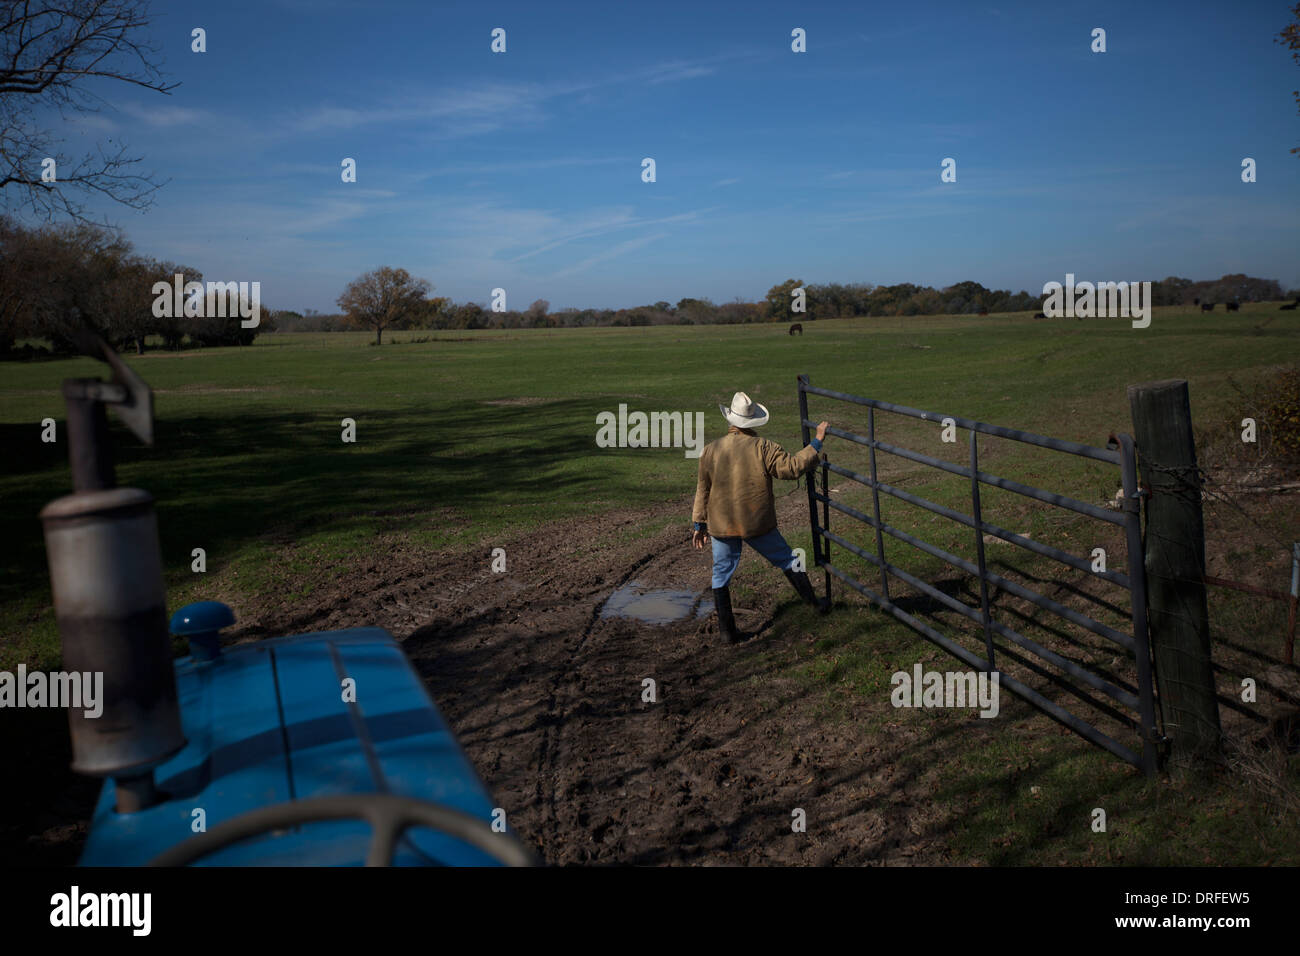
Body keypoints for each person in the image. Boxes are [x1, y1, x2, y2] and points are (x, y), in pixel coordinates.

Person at [691, 391, 830, 643]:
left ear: (731, 420)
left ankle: (726, 633)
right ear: (752, 421)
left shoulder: (710, 450)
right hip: (756, 522)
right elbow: (792, 468)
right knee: (788, 559)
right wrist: (816, 443)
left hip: (721, 523)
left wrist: (699, 523)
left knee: (720, 574)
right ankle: (815, 605)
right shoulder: (763, 447)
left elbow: (703, 488)